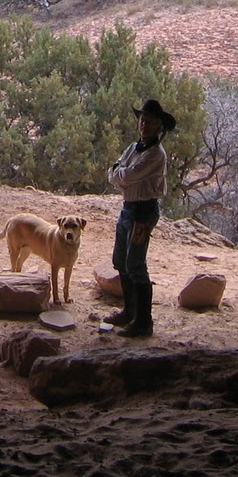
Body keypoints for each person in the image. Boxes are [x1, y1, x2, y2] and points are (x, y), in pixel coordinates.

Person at [106, 97, 175, 337]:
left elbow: (124, 175)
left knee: (135, 264)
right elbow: (116, 171)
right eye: (143, 120)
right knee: (121, 261)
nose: (144, 125)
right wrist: (118, 173)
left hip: (143, 212)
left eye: (150, 122)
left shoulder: (155, 154)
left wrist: (117, 173)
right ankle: (129, 311)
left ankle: (144, 321)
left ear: (159, 127)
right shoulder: (134, 148)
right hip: (129, 208)